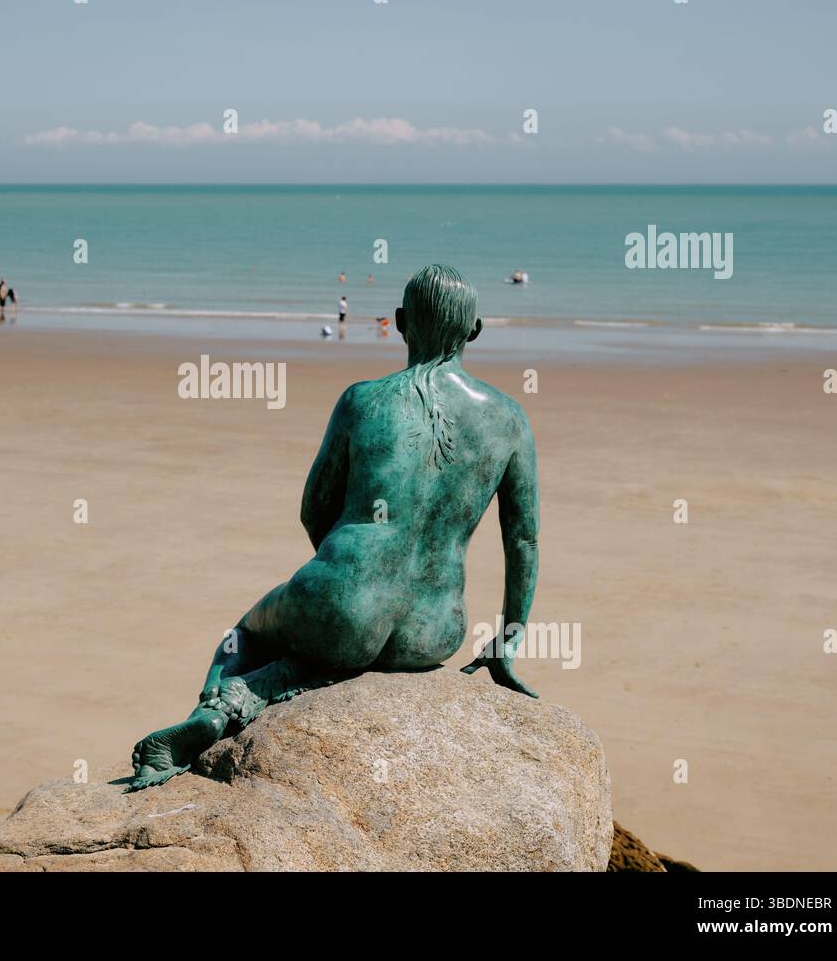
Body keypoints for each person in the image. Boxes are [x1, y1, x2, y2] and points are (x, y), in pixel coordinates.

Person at [126, 264, 540, 791]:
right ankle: (263, 687)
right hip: (435, 632)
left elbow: (314, 508)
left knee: (244, 633)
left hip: (343, 596)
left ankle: (210, 715)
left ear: (399, 323)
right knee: (345, 647)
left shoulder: (362, 400)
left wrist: (347, 582)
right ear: (475, 331)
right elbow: (523, 541)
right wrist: (506, 644)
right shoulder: (509, 419)